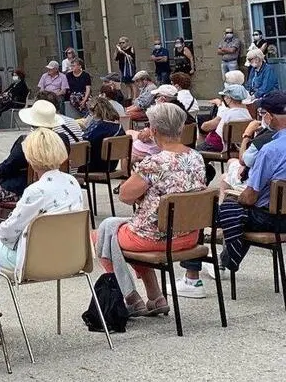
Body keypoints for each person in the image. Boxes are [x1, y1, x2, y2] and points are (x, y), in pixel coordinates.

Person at [93, 103, 206, 315]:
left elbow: (126, 196)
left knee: (102, 235)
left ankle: (131, 297)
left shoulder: (154, 162)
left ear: (153, 130)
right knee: (114, 228)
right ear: (180, 128)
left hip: (156, 235)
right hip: (189, 233)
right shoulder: (196, 156)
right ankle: (155, 297)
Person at [179, 91, 286, 297]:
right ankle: (224, 259)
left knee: (205, 212)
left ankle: (192, 278)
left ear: (269, 117)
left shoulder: (269, 150)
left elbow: (250, 197)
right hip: (279, 216)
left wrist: (234, 195)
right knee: (236, 213)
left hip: (270, 218)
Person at [0, 129, 83, 281]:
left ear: (30, 156)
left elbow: (7, 234)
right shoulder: (72, 181)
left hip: (37, 261)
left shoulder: (36, 191)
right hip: (71, 256)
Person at [0, 100, 68, 206]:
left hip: (23, 186)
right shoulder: (63, 140)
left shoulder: (26, 142)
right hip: (57, 185)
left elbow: (9, 166)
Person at [197, 84, 252, 153]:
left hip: (218, 145)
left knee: (194, 152)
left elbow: (206, 127)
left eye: (224, 96)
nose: (224, 99)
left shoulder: (226, 113)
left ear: (229, 98)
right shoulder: (247, 114)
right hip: (236, 146)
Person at [83, 98, 125, 172]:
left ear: (94, 112)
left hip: (95, 166)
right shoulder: (119, 127)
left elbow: (86, 142)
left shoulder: (99, 128)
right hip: (112, 165)